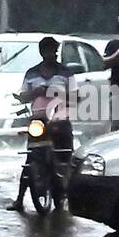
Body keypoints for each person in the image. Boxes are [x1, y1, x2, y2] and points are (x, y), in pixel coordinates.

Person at [6, 36, 73, 213]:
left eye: (55, 51)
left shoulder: (66, 73)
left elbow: (76, 97)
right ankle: (20, 199)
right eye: (49, 51)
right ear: (42, 53)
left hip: (60, 119)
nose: (53, 54)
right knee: (31, 159)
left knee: (65, 159)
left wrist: (54, 92)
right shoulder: (31, 73)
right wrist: (33, 94)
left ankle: (66, 194)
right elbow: (22, 96)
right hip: (38, 120)